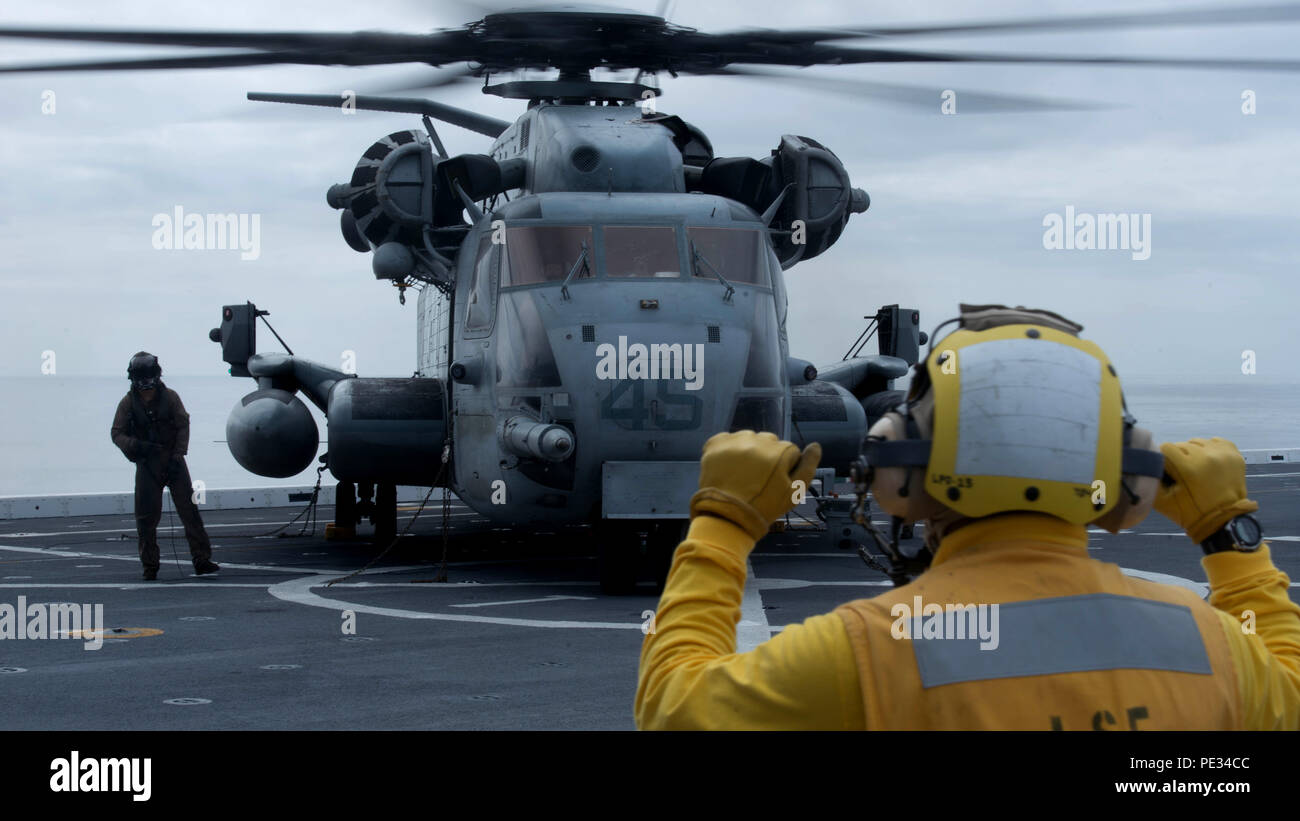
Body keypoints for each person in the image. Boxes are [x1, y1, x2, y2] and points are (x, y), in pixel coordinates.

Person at [636, 304, 1300, 730]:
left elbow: (674, 710)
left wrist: (722, 520)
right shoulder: (1216, 647)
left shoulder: (863, 650)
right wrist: (1229, 533)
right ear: (1126, 472)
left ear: (902, 468)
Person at [111, 352, 220, 581]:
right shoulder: (127, 403)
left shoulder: (170, 397)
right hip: (147, 465)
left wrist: (178, 454)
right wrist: (136, 446)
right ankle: (150, 566)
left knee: (190, 513)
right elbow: (117, 433)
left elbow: (183, 424)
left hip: (174, 463)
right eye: (141, 378)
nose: (145, 384)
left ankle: (202, 560)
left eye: (148, 377)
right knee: (146, 519)